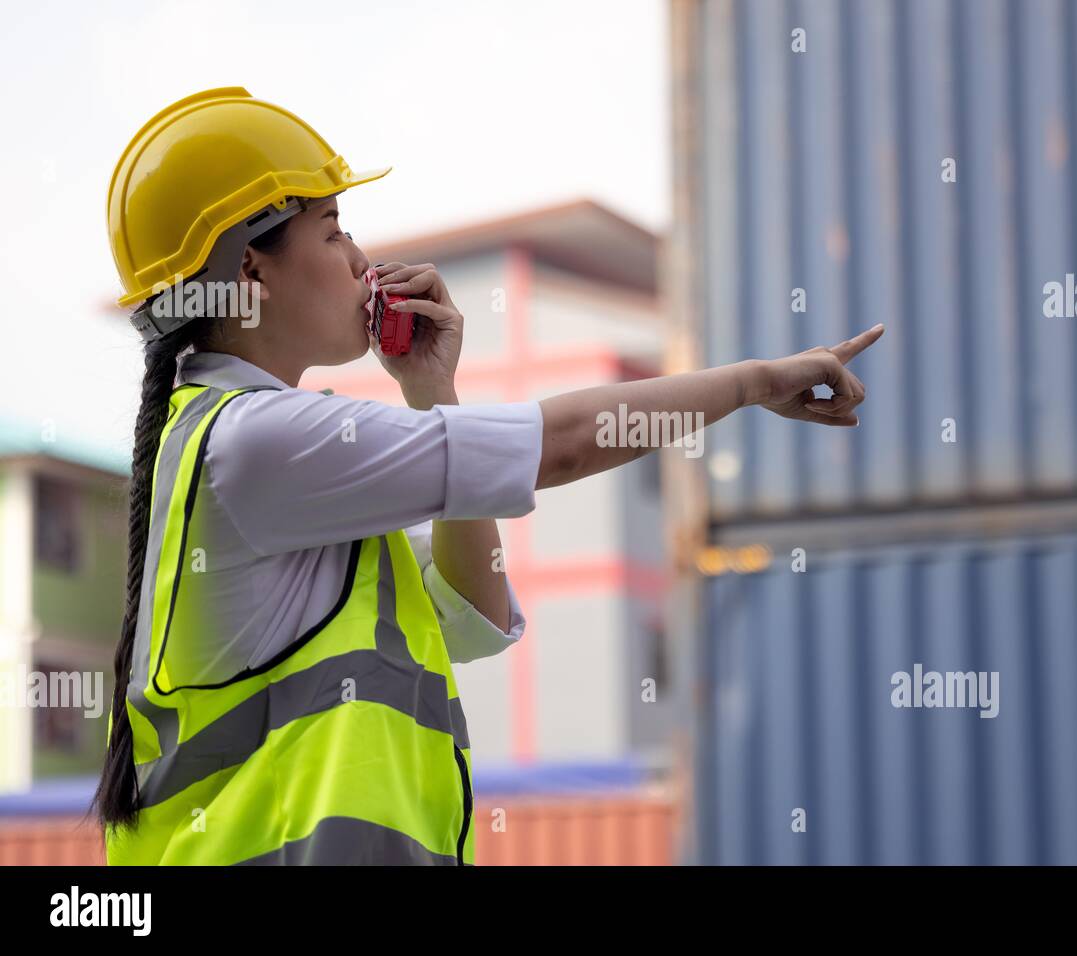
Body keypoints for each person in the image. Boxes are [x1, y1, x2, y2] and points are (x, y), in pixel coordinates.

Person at [96, 87, 883, 865]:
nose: (362, 260)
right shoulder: (255, 444)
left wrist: (432, 392)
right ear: (251, 267)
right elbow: (568, 441)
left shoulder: (258, 456)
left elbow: (469, 613)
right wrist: (753, 383)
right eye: (333, 232)